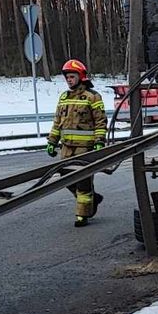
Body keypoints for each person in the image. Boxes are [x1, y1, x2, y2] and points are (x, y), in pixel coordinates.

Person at [45, 58, 108, 227]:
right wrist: (52, 141)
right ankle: (93, 199)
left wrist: (99, 142)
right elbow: (58, 122)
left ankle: (83, 215)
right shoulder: (64, 97)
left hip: (85, 149)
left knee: (83, 182)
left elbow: (101, 122)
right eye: (67, 77)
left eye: (72, 76)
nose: (69, 79)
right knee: (65, 178)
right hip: (66, 147)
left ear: (81, 76)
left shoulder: (93, 97)